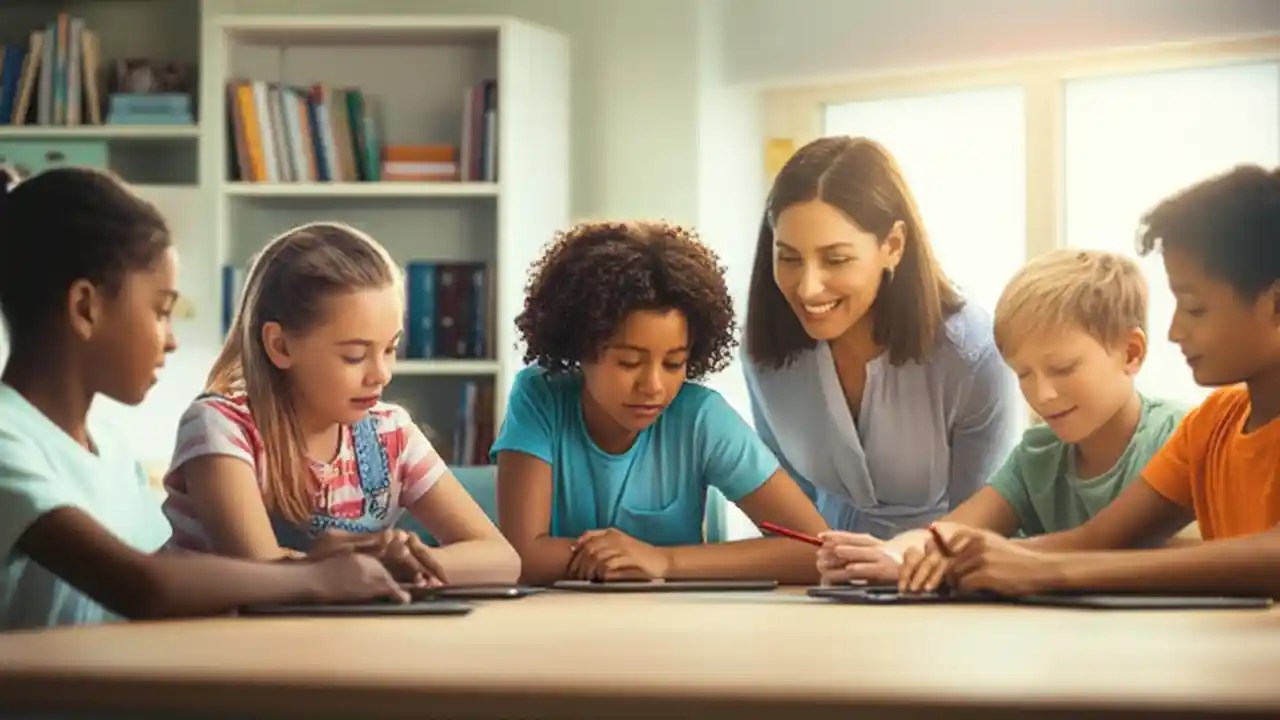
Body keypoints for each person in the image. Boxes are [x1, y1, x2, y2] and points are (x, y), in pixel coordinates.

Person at [0, 167, 404, 629]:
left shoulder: (109, 449)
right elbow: (144, 586)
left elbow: (176, 570)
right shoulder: (8, 439)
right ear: (86, 308)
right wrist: (315, 577)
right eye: (161, 311)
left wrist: (304, 565)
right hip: (42, 704)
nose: (170, 340)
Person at [912, 165, 1280, 598]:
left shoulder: (1182, 426)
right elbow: (1096, 540)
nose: (1175, 331)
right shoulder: (1211, 425)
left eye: (1195, 309)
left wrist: (1050, 572)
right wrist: (983, 559)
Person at [163, 221, 520, 587]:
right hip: (217, 638)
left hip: (337, 639)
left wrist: (408, 562)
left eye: (390, 349)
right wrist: (376, 564)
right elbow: (262, 571)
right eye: (354, 355)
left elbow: (501, 558)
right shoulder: (219, 427)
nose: (381, 374)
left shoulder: (391, 434)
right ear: (280, 346)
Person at [817, 250, 1184, 587]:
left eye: (1063, 368)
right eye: (1023, 374)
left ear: (1131, 353)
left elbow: (1194, 554)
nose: (1042, 395)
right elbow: (948, 534)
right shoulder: (1036, 457)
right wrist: (893, 555)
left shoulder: (1180, 438)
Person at [492, 220, 828, 585]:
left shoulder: (701, 417)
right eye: (629, 362)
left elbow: (817, 550)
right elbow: (521, 556)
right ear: (580, 348)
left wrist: (663, 561)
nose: (653, 386)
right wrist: (619, 559)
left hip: (676, 628)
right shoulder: (540, 396)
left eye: (673, 363)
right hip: (557, 627)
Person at [744, 135, 1020, 538]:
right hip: (820, 578)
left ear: (892, 245)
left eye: (835, 259)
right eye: (788, 258)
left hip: (941, 579)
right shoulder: (766, 355)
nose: (807, 288)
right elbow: (789, 517)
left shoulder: (971, 354)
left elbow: (981, 529)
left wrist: (897, 564)